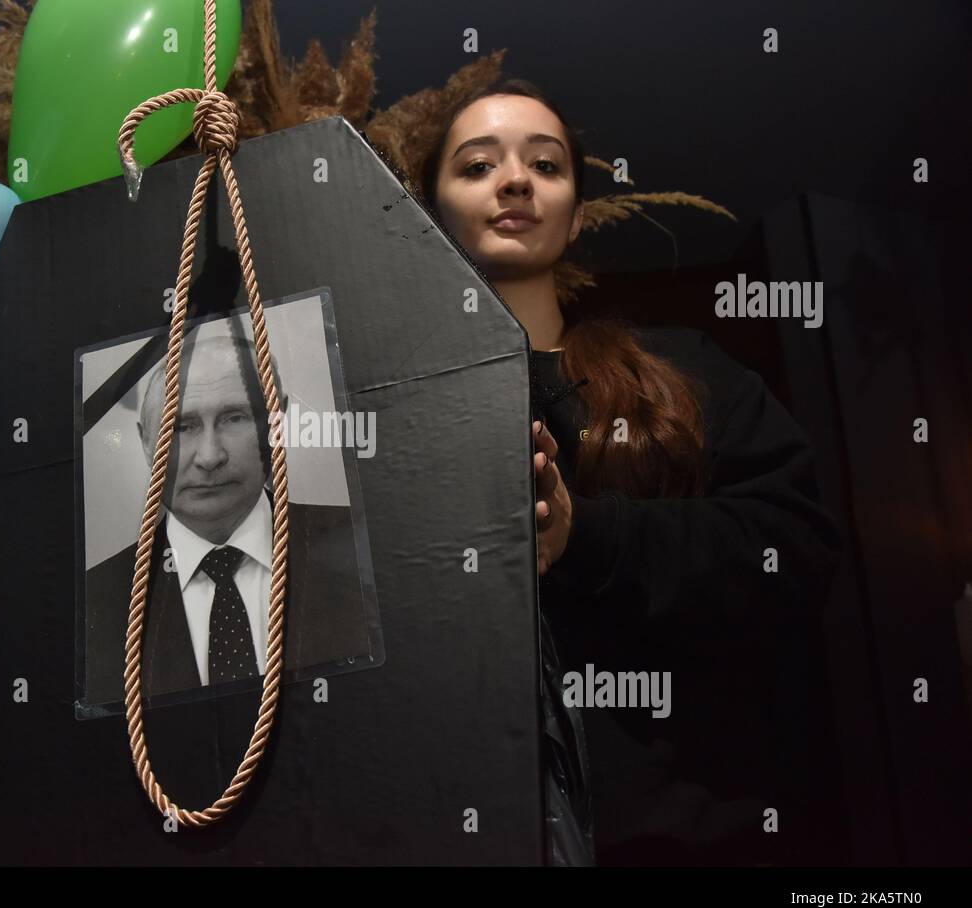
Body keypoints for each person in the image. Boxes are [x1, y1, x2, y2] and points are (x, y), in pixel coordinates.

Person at [418, 78, 848, 865]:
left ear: (578, 215)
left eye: (545, 166)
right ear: (429, 214)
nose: (514, 180)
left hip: (684, 836)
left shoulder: (680, 372)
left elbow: (797, 550)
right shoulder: (390, 408)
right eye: (477, 166)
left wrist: (587, 536)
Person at [83, 322, 370, 705]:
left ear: (276, 421)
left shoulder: (358, 546)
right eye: (181, 426)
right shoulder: (99, 602)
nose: (210, 457)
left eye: (234, 418)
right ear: (146, 443)